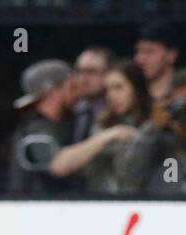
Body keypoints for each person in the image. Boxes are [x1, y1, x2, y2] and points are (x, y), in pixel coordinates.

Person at [118, 68, 186, 194]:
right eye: (181, 104)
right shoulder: (160, 136)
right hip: (166, 207)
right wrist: (151, 129)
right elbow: (127, 176)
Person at [49, 59, 148, 193]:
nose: (111, 96)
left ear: (137, 88)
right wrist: (111, 134)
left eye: (118, 87)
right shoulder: (102, 126)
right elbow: (60, 166)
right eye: (107, 90)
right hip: (101, 203)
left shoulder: (154, 125)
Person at [8, 59, 79, 194]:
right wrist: (108, 136)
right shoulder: (35, 129)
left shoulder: (58, 124)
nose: (77, 94)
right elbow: (57, 165)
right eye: (72, 87)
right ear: (53, 91)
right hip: (35, 208)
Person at [71, 45, 113, 143]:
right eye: (79, 71)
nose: (82, 79)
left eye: (91, 72)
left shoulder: (117, 110)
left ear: (109, 74)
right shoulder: (70, 109)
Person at [134, 21, 180, 105]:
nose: (139, 59)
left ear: (171, 55)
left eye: (149, 52)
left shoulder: (185, 92)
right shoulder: (134, 95)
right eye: (138, 52)